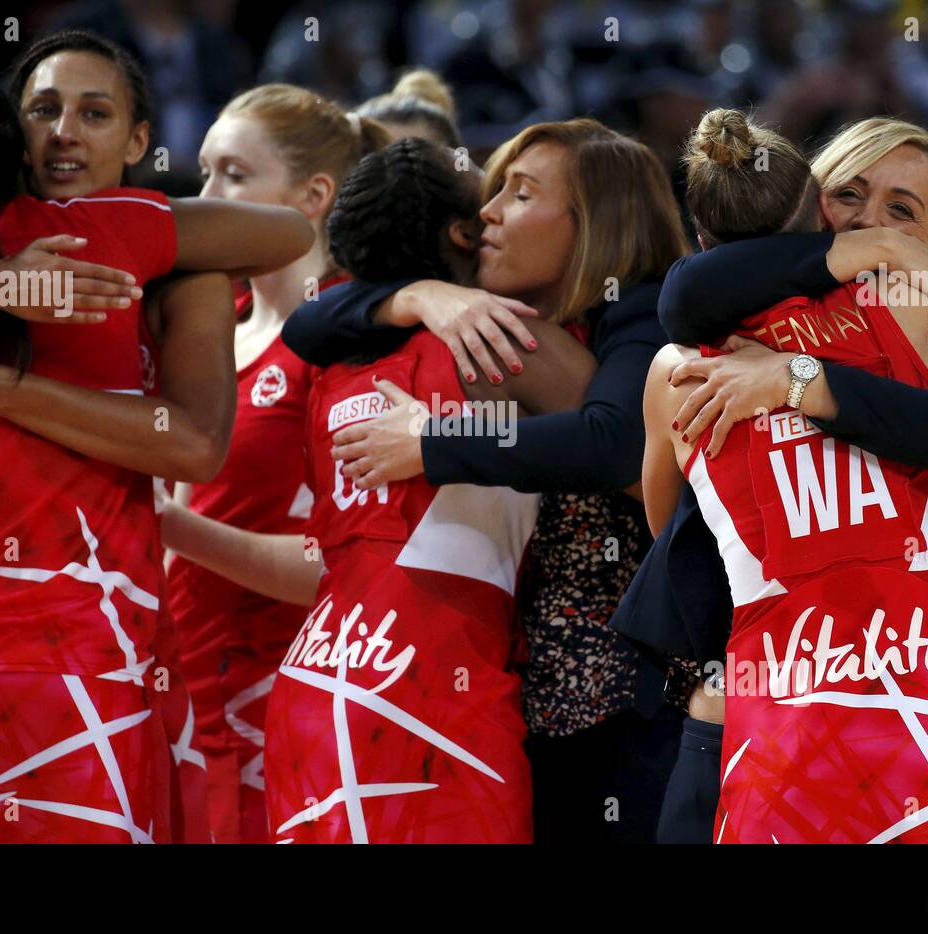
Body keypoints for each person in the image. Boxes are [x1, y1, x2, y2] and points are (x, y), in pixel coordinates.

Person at [0, 52, 311, 843]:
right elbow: (288, 233)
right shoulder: (112, 239)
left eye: (94, 113)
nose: (63, 134)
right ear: (14, 143)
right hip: (85, 676)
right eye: (43, 111)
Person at [613, 114, 928, 842]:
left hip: (917, 719)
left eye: (901, 212)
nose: (871, 221)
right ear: (808, 203)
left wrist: (799, 380)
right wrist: (864, 250)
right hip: (752, 724)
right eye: (849, 195)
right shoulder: (689, 340)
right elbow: (679, 531)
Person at [278, 118, 691, 842]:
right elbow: (308, 326)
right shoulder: (495, 327)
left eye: (521, 193)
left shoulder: (647, 315)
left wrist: (437, 440)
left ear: (596, 223)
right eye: (492, 189)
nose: (488, 213)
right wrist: (422, 296)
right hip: (523, 701)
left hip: (636, 709)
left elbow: (614, 445)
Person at [159, 83, 389, 843]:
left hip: (280, 697)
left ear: (313, 195)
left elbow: (350, 569)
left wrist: (167, 527)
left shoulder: (355, 343)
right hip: (174, 693)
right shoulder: (205, 318)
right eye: (202, 174)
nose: (205, 197)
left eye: (233, 174)